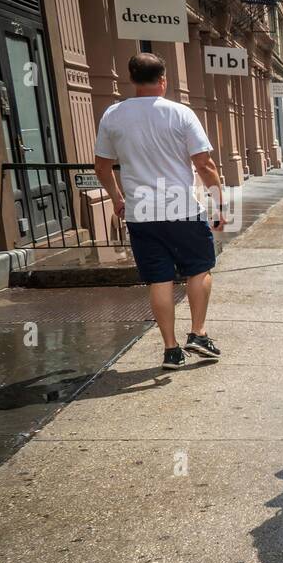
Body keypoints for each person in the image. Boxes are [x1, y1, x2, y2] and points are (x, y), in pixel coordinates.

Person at [94, 52, 225, 371]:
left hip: (141, 213)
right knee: (199, 269)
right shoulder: (181, 114)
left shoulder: (113, 115)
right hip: (181, 209)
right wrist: (219, 203)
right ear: (163, 80)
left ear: (132, 80)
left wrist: (116, 198)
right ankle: (198, 332)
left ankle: (170, 350)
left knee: (159, 280)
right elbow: (205, 165)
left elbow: (102, 166)